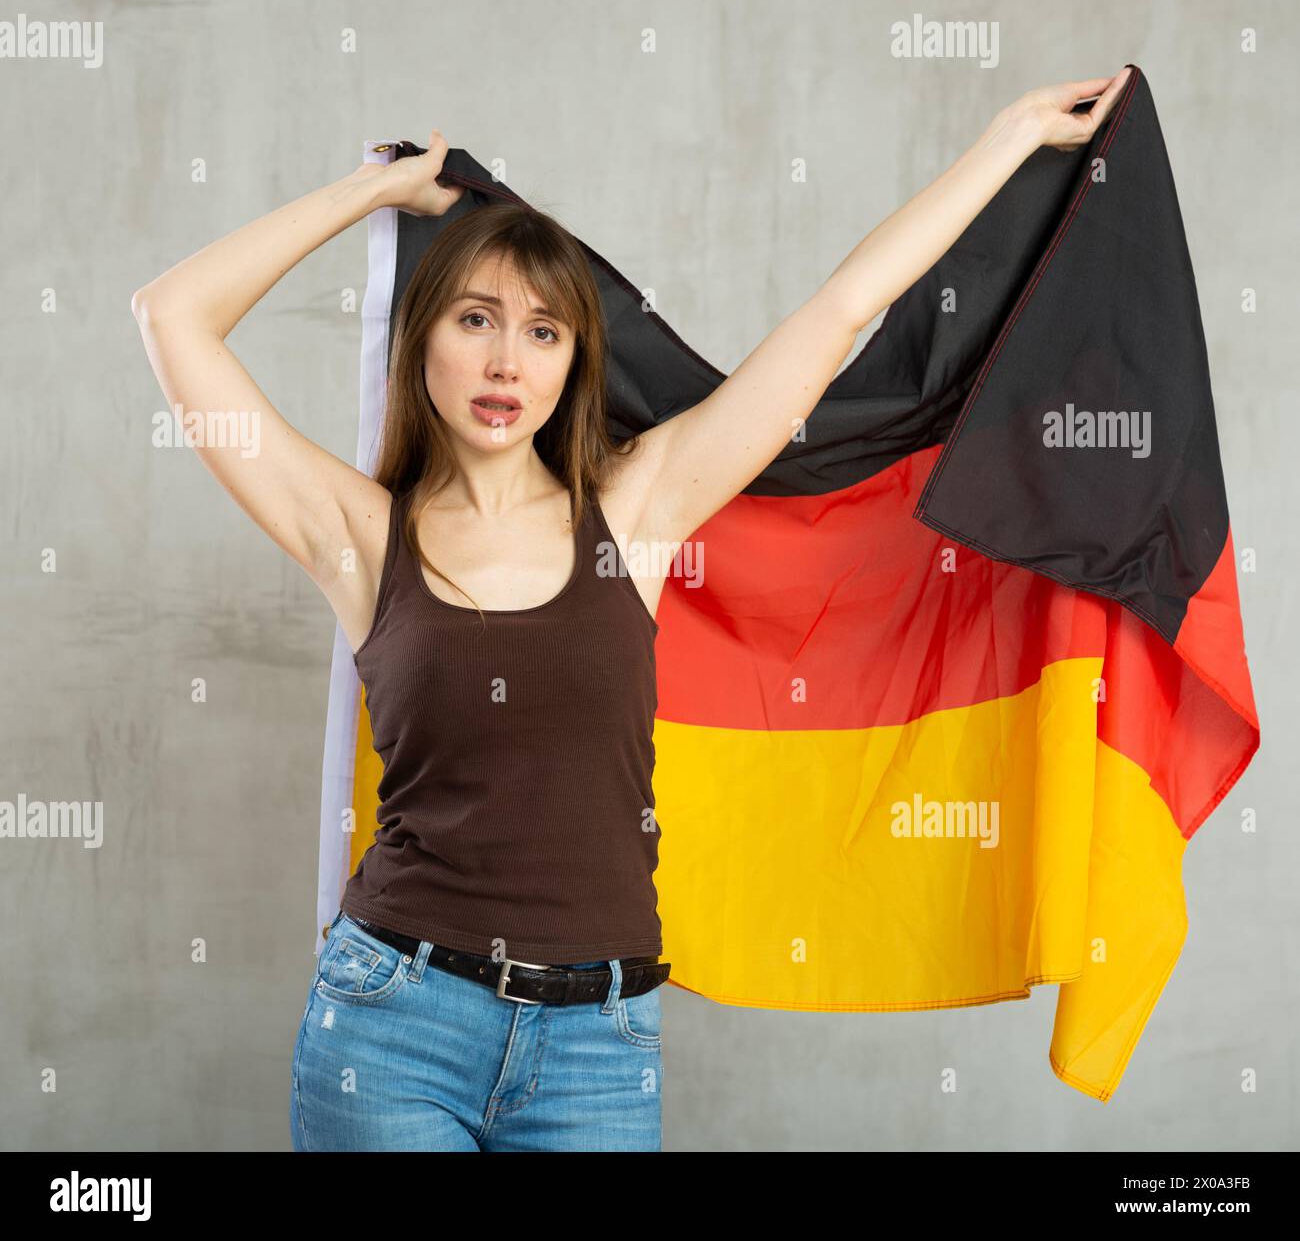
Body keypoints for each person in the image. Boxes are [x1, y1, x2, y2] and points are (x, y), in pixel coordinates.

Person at [130, 68, 1131, 1152]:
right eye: (476, 320)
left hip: (596, 1049)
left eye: (545, 332)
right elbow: (172, 316)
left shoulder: (641, 509)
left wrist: (1009, 138)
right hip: (390, 1026)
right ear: (424, 341)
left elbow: (843, 311)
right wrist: (369, 197)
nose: (507, 359)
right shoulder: (360, 536)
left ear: (574, 365)